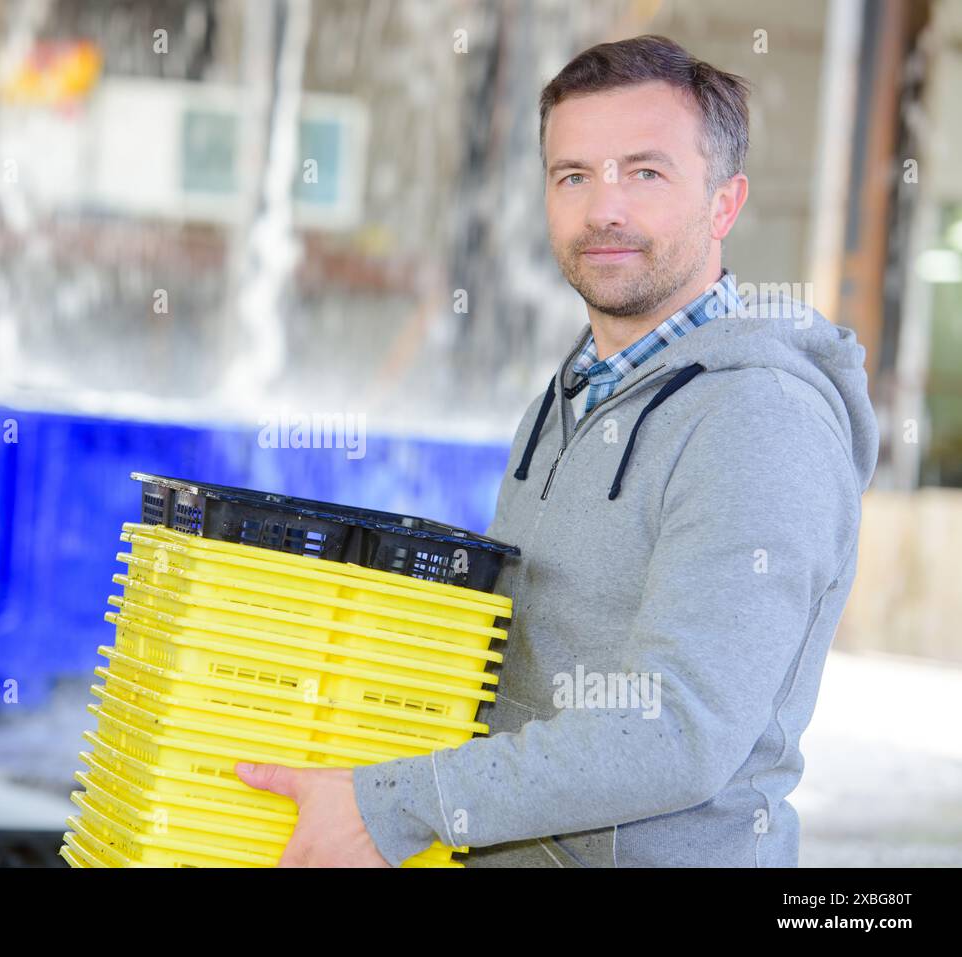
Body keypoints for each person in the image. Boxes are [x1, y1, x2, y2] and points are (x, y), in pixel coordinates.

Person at [234, 33, 878, 867]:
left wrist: (400, 803)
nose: (603, 208)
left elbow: (678, 729)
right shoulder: (575, 388)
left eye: (646, 173)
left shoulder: (761, 418)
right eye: (574, 175)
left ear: (725, 203)